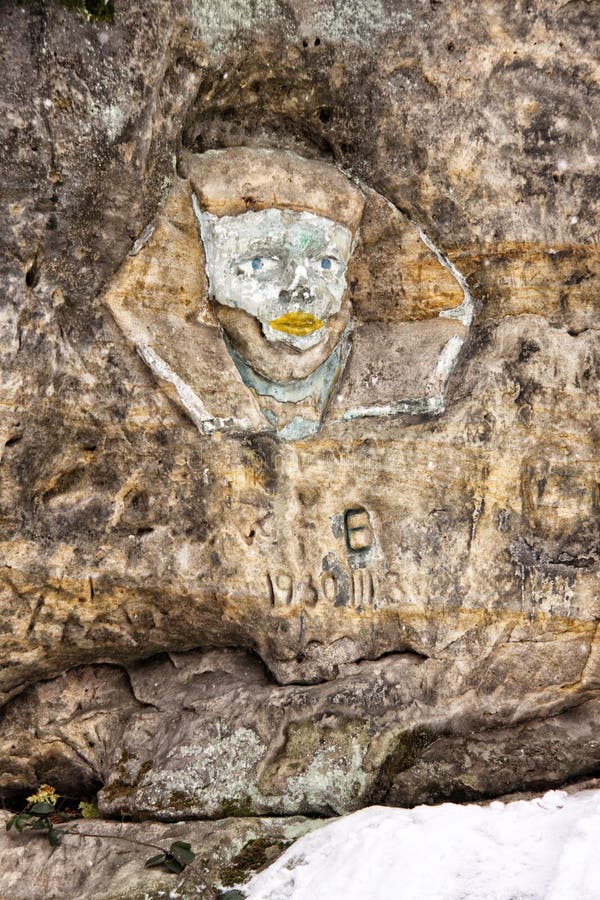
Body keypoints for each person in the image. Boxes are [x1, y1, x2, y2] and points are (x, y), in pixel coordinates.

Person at [105, 147, 472, 440]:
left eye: (326, 264)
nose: (300, 289)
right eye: (261, 263)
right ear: (202, 271)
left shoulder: (409, 376)